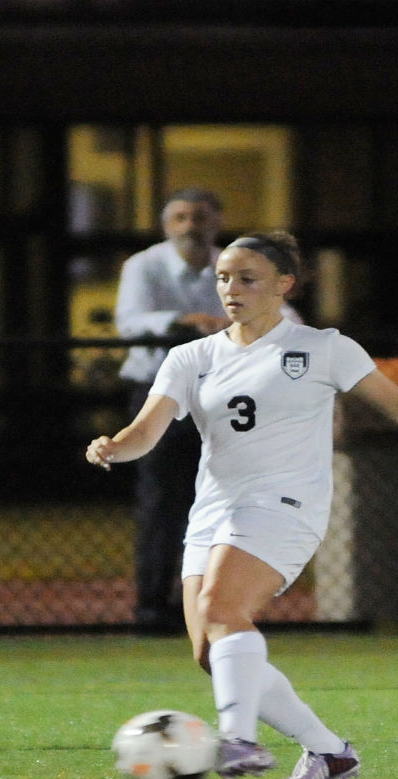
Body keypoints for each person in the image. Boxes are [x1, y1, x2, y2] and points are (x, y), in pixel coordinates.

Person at [86, 231, 398, 779]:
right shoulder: (193, 356)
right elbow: (147, 432)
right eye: (222, 278)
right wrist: (115, 445)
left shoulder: (323, 348)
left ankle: (237, 738)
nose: (229, 289)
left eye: (246, 278)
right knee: (211, 652)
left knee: (221, 606)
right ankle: (330, 752)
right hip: (215, 509)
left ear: (284, 285)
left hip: (286, 503)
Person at [114, 189, 300, 633]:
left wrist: (238, 324)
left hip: (225, 397)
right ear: (164, 224)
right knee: (162, 501)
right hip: (160, 392)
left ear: (216, 222)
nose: (189, 226)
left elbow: (289, 318)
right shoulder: (145, 266)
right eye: (179, 217)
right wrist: (186, 323)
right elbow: (130, 322)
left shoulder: (239, 262)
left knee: (225, 500)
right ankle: (153, 608)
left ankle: (210, 605)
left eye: (198, 217)